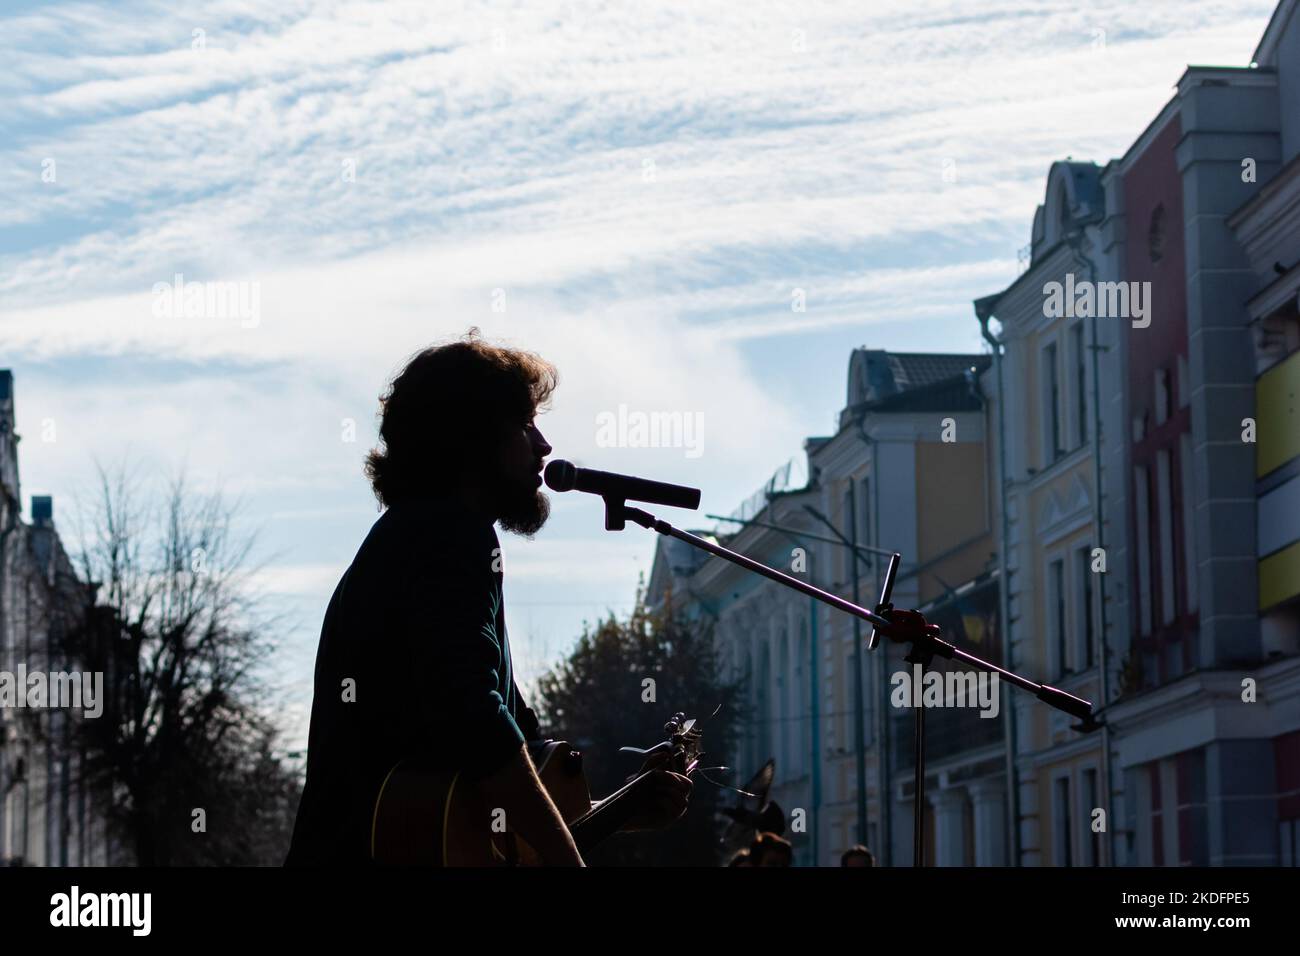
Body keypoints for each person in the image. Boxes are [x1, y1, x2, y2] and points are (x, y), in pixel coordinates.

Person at [285, 329, 692, 865]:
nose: (544, 446)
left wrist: (625, 810)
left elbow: (500, 794)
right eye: (524, 424)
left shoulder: (418, 537)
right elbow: (477, 722)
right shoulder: (447, 534)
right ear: (470, 440)